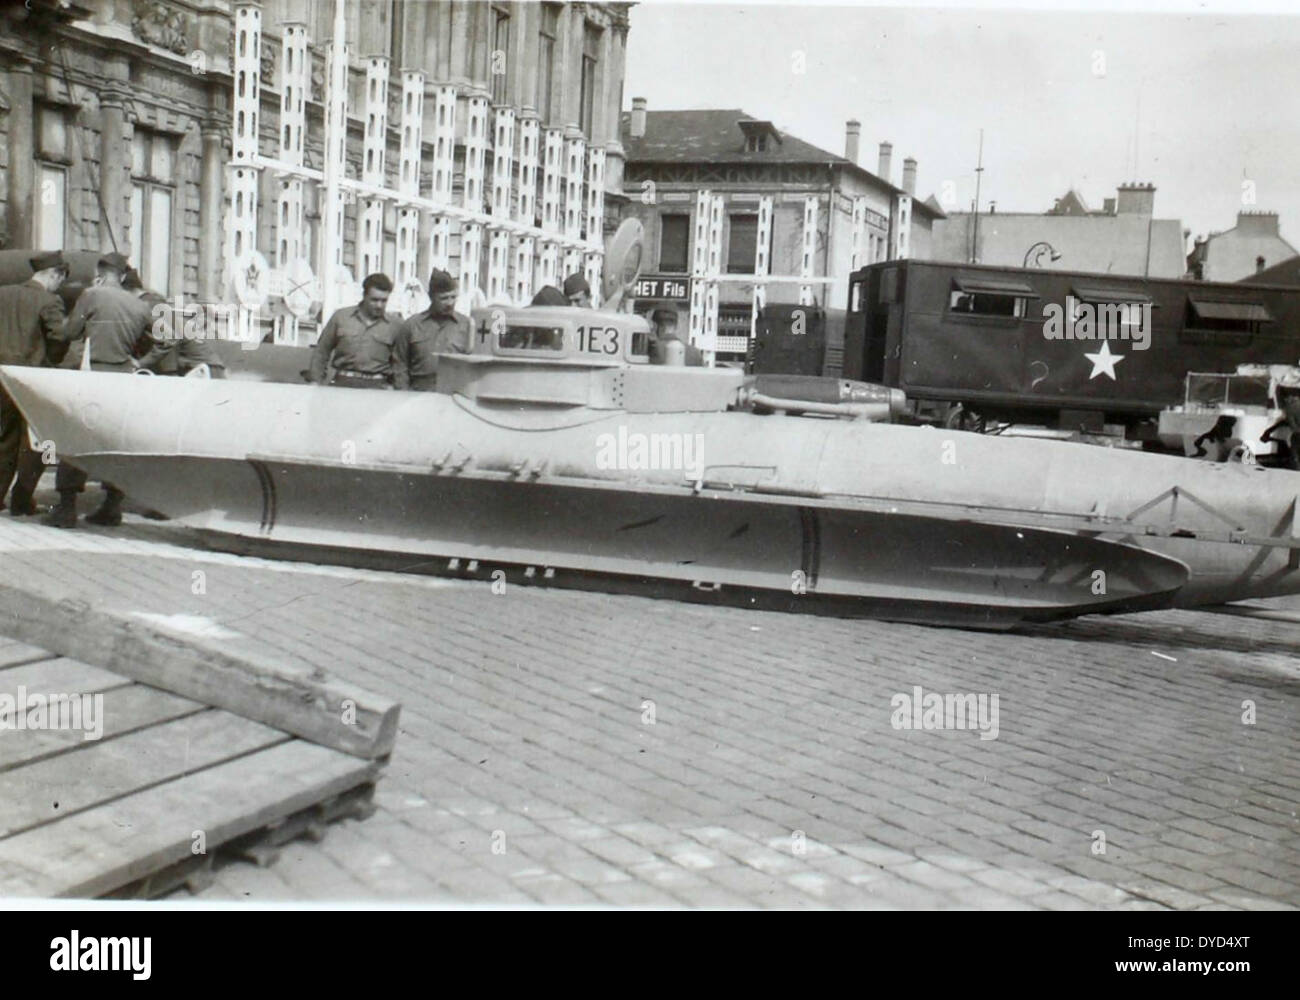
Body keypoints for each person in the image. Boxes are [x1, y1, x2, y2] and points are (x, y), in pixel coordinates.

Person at [43, 252, 158, 529]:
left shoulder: (91, 295)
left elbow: (70, 332)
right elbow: (166, 340)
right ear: (121, 276)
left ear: (100, 272)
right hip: (123, 378)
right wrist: (142, 362)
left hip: (91, 375)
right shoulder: (140, 305)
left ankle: (66, 508)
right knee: (114, 442)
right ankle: (111, 507)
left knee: (75, 439)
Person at [0, 250, 70, 515]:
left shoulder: (3, 294)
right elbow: (59, 338)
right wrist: (53, 362)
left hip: (1, 376)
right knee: (38, 440)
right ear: (54, 274)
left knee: (4, 436)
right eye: (60, 280)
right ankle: (21, 499)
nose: (59, 286)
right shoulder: (49, 301)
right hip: (32, 380)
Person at [123, 267, 227, 378]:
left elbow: (170, 340)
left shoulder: (148, 305)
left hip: (203, 371)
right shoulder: (151, 302)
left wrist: (140, 364)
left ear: (127, 290)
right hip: (202, 368)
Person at [308, 273, 404, 389]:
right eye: (374, 300)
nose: (379, 305)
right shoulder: (341, 317)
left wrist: (396, 388)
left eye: (384, 301)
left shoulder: (396, 326)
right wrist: (315, 381)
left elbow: (401, 363)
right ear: (364, 295)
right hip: (343, 384)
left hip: (378, 387)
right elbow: (322, 351)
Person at [394, 269, 473, 392]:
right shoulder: (412, 325)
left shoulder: (467, 325)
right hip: (418, 392)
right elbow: (400, 363)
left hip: (454, 394)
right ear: (431, 297)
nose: (450, 303)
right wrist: (403, 393)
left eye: (453, 297)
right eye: (444, 298)